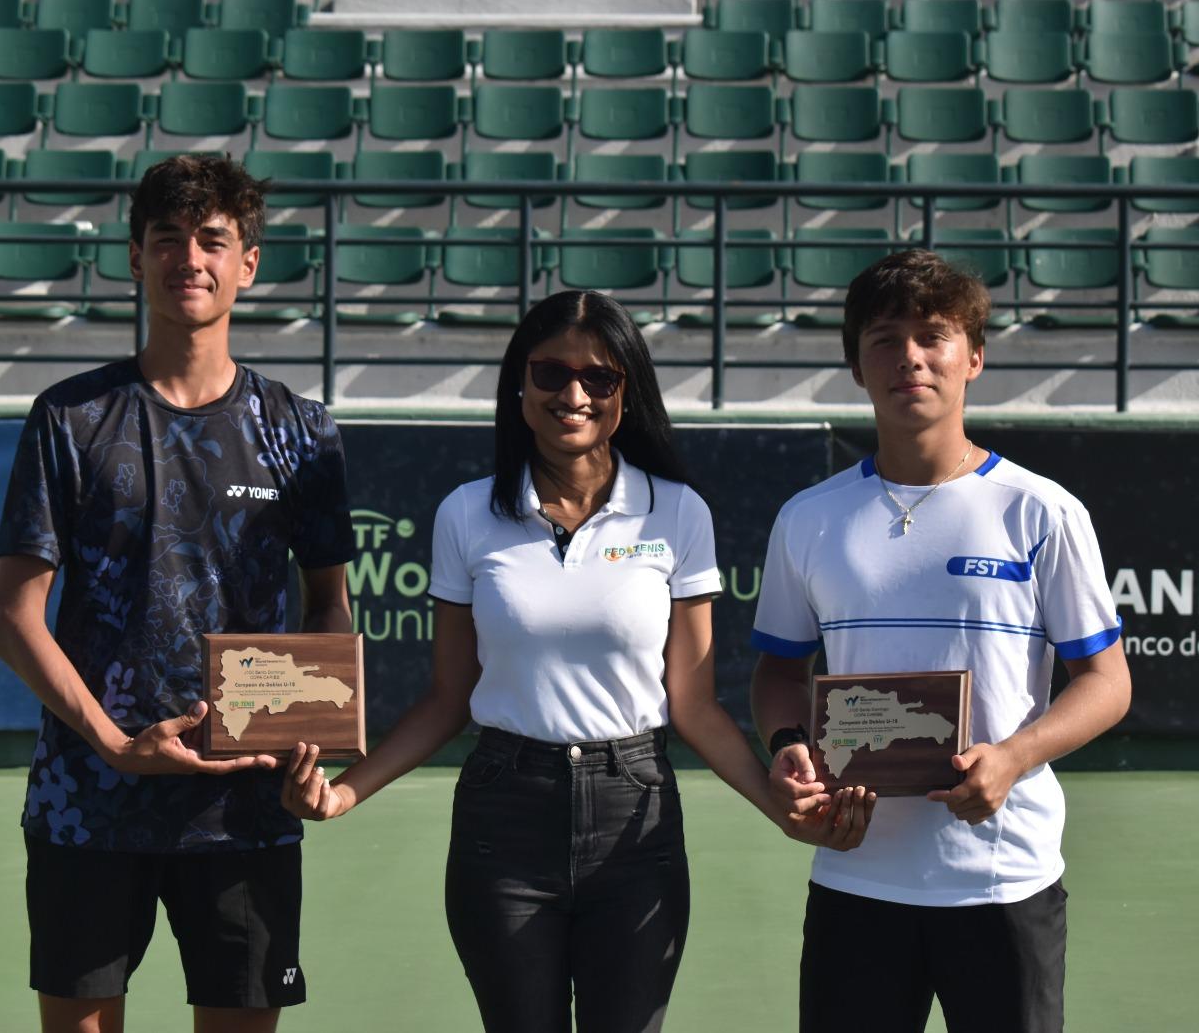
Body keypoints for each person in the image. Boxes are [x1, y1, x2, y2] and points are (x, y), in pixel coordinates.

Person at [282, 289, 832, 1033]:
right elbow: (449, 698)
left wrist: (783, 812)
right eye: (550, 375)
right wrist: (345, 794)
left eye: (598, 378)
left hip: (635, 817)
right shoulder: (466, 514)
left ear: (625, 392)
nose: (573, 395)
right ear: (519, 386)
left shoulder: (677, 513)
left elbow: (695, 705)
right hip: (501, 818)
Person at [0, 156, 354, 1033]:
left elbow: (328, 607)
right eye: (168, 239)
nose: (189, 258)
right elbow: (14, 619)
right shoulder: (69, 419)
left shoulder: (303, 433)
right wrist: (115, 743)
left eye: (212, 240)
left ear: (248, 263)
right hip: (88, 805)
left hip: (245, 814)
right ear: (135, 257)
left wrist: (316, 730)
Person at [751, 249, 1133, 1033]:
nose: (911, 358)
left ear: (975, 357)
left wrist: (1013, 757)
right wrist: (787, 742)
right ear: (857, 367)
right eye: (885, 340)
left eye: (934, 335)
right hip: (856, 876)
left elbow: (1107, 680)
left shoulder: (1042, 511)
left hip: (1002, 880)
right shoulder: (808, 517)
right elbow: (777, 672)